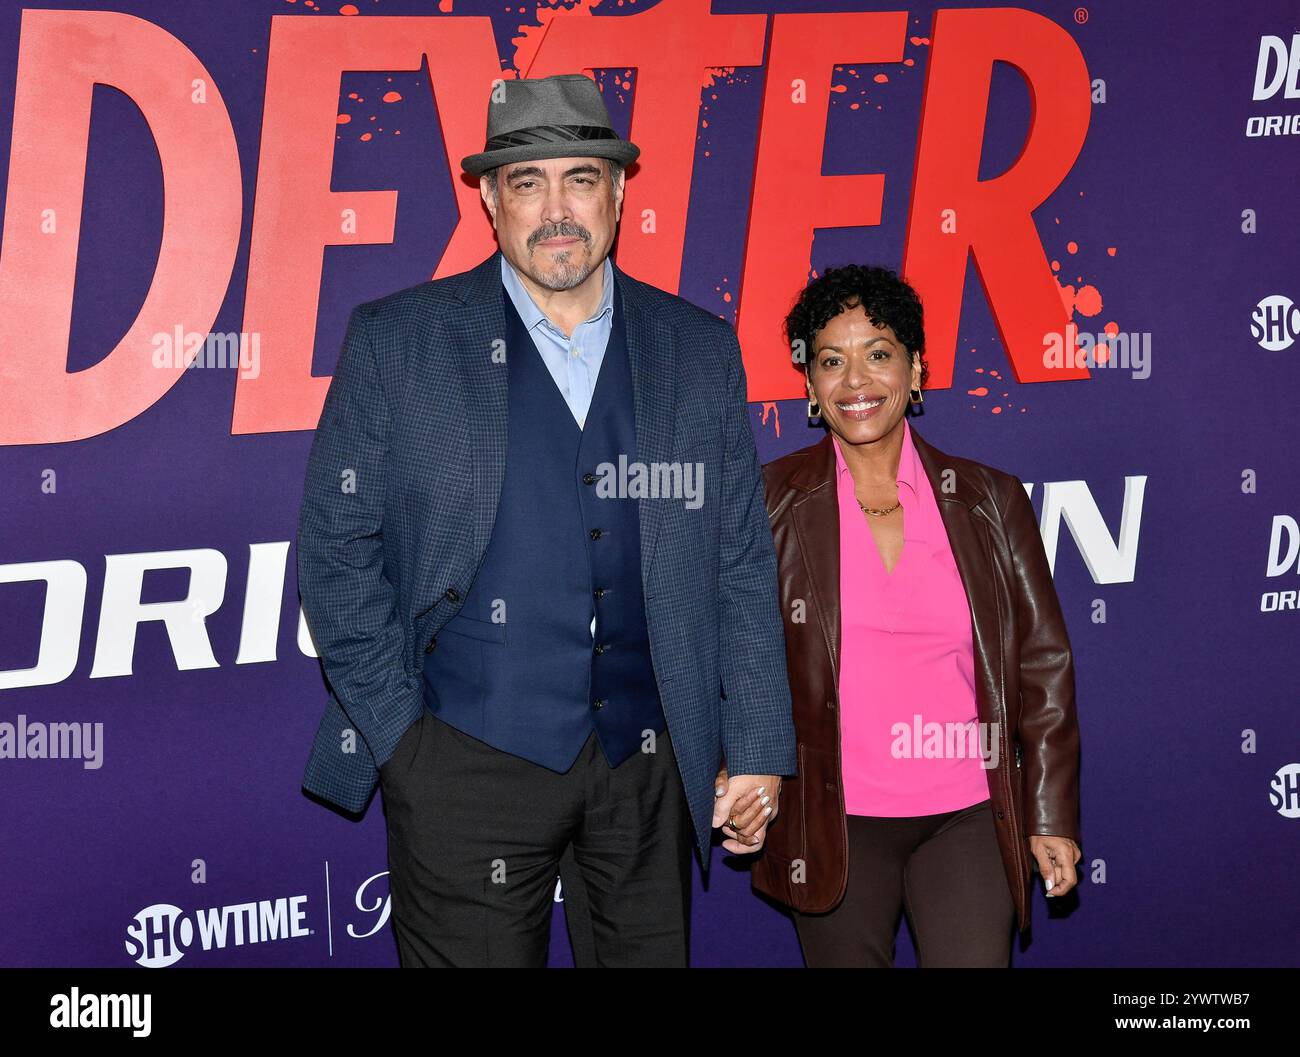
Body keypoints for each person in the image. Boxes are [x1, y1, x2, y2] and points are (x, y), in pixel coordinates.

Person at [295, 73, 796, 967]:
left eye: (581, 179)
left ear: (618, 193)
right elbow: (336, 550)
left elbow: (739, 560)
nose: (557, 210)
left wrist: (755, 742)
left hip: (645, 766)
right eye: (528, 183)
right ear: (489, 199)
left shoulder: (698, 347)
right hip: (463, 761)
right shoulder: (398, 341)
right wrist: (406, 742)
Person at [734, 263, 1081, 967]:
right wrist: (737, 772)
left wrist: (1049, 813)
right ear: (809, 383)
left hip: (970, 814)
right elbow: (732, 656)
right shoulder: (768, 501)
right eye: (831, 360)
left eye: (879, 354)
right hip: (832, 820)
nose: (856, 381)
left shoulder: (989, 499)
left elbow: (1043, 664)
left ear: (916, 368)